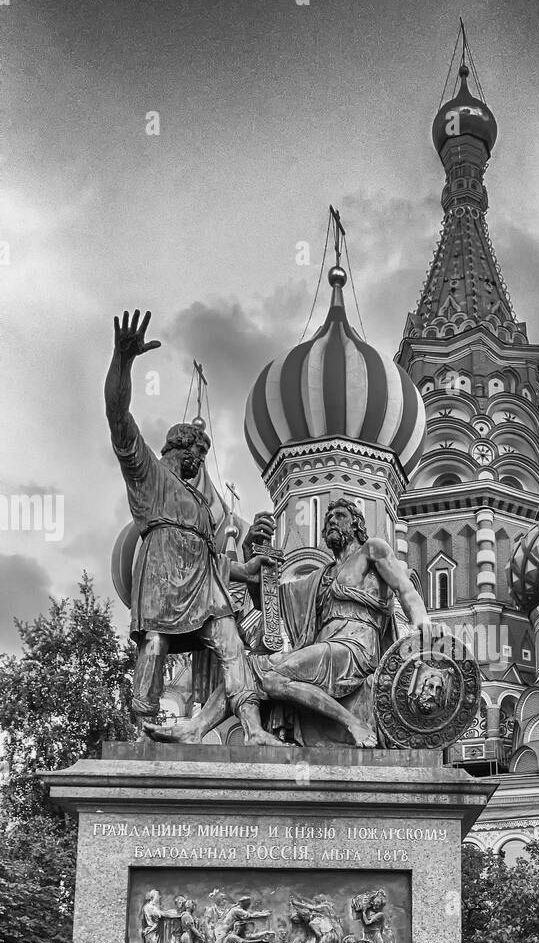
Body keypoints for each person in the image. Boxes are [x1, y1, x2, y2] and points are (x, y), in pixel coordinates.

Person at [104, 309, 281, 742]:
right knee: (155, 644)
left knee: (232, 644)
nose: (199, 461)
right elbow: (118, 417)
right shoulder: (149, 474)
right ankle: (144, 726)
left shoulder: (201, 502)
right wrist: (123, 362)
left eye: (202, 456)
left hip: (203, 584)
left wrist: (250, 567)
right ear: (177, 448)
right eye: (195, 453)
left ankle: (253, 728)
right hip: (163, 570)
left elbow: (218, 561)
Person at [151, 497, 435, 748]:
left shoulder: (372, 550)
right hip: (327, 646)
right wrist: (253, 553)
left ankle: (354, 723)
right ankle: (196, 728)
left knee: (270, 674)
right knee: (247, 666)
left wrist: (423, 624)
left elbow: (405, 589)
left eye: (340, 516)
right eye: (328, 518)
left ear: (357, 524)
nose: (332, 521)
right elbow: (268, 602)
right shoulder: (322, 575)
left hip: (355, 648)